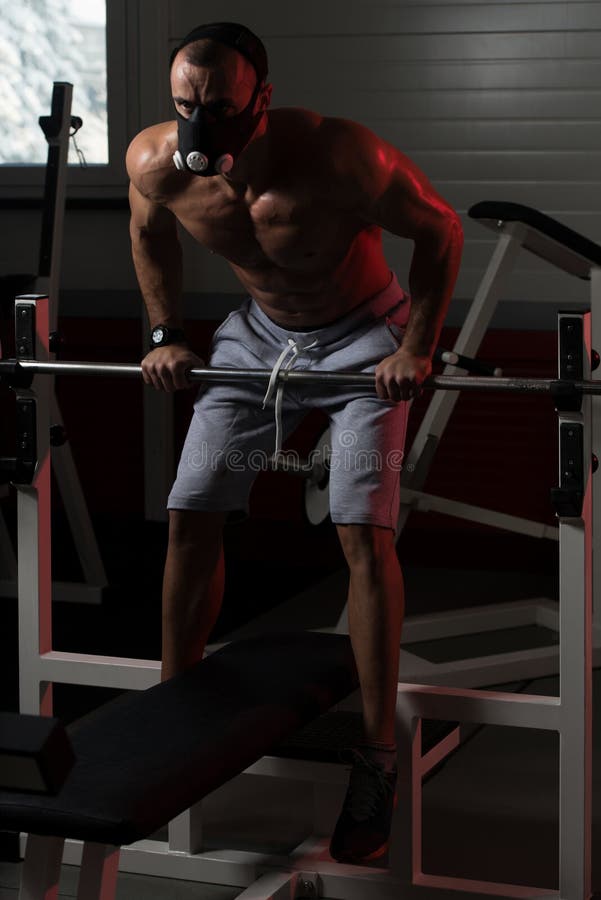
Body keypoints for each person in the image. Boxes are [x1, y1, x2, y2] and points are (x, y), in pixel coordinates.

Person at [126, 21, 463, 864]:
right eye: (186, 104)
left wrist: (415, 348)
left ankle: (375, 757)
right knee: (193, 511)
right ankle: (176, 719)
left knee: (360, 530)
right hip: (254, 344)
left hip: (364, 344)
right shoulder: (157, 164)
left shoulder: (341, 157)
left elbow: (439, 232)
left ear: (262, 100)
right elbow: (148, 232)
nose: (204, 123)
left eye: (223, 107)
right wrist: (166, 330)